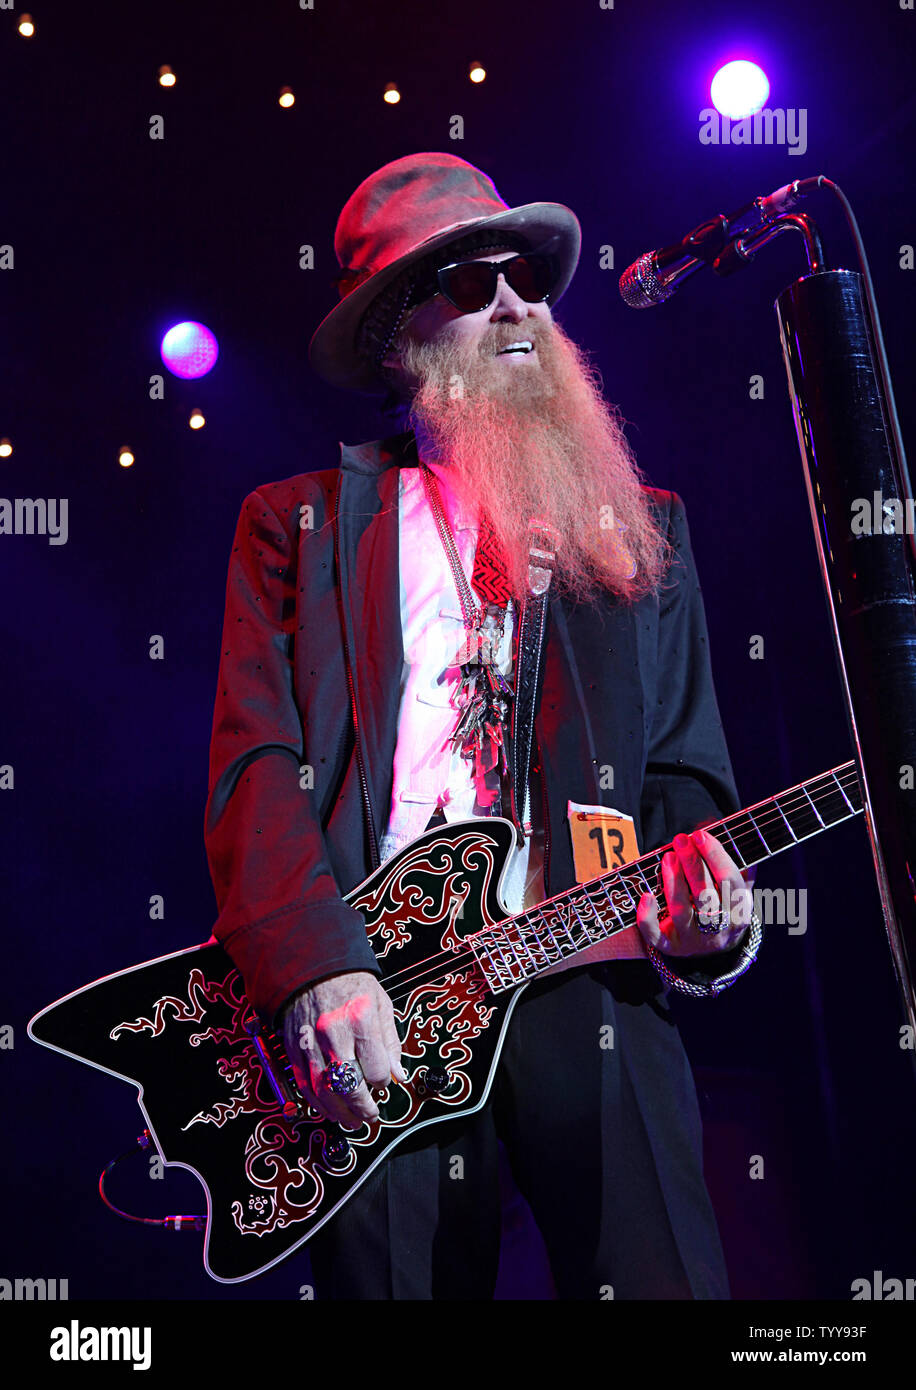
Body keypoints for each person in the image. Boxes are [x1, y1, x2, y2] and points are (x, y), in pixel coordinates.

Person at [204, 151, 762, 1300]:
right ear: (399, 335)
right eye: (471, 284)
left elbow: (684, 777)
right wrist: (317, 968)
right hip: (381, 996)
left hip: (591, 973)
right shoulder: (297, 526)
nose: (515, 303)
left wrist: (709, 906)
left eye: (529, 279)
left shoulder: (636, 531)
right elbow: (253, 769)